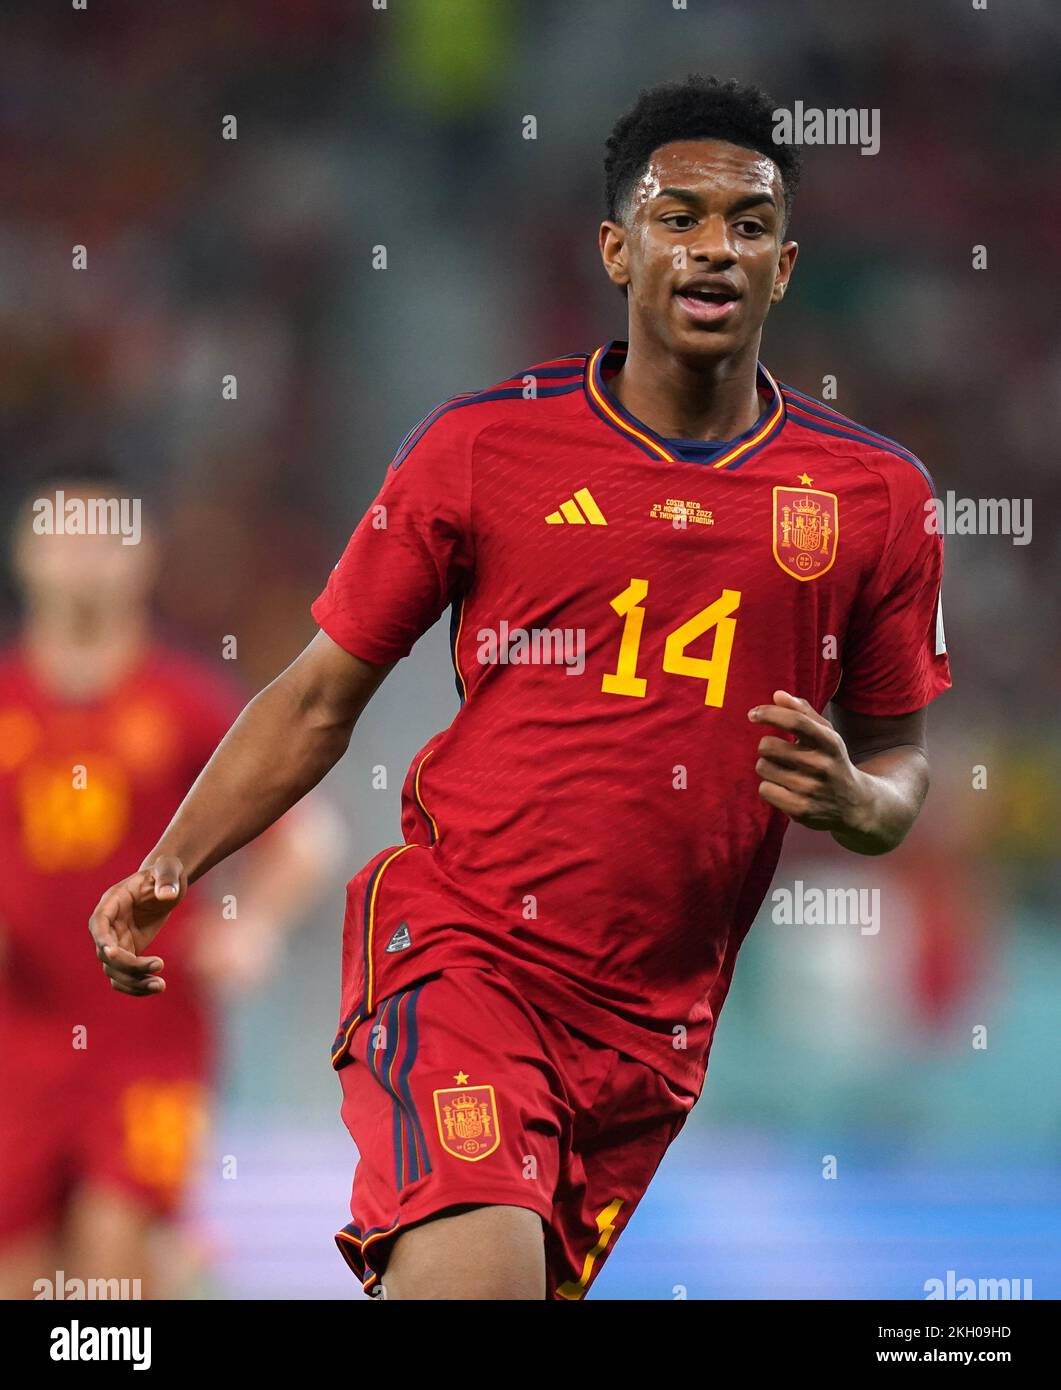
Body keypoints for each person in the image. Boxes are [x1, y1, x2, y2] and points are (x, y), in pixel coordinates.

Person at [88, 76, 951, 1300]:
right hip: (459, 949)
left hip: (652, 1031)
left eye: (747, 224)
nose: (714, 246)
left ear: (784, 264)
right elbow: (320, 694)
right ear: (617, 248)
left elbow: (901, 752)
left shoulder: (875, 497)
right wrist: (174, 862)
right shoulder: (485, 447)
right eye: (678, 215)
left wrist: (865, 807)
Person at [0, 464, 338, 1299]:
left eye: (102, 536)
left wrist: (250, 925)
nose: (83, 557)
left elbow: (305, 838)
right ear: (24, 554)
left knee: (113, 1247)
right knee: (21, 1268)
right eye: (63, 534)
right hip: (16, 1032)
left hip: (149, 1034)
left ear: (142, 556)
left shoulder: (185, 702)